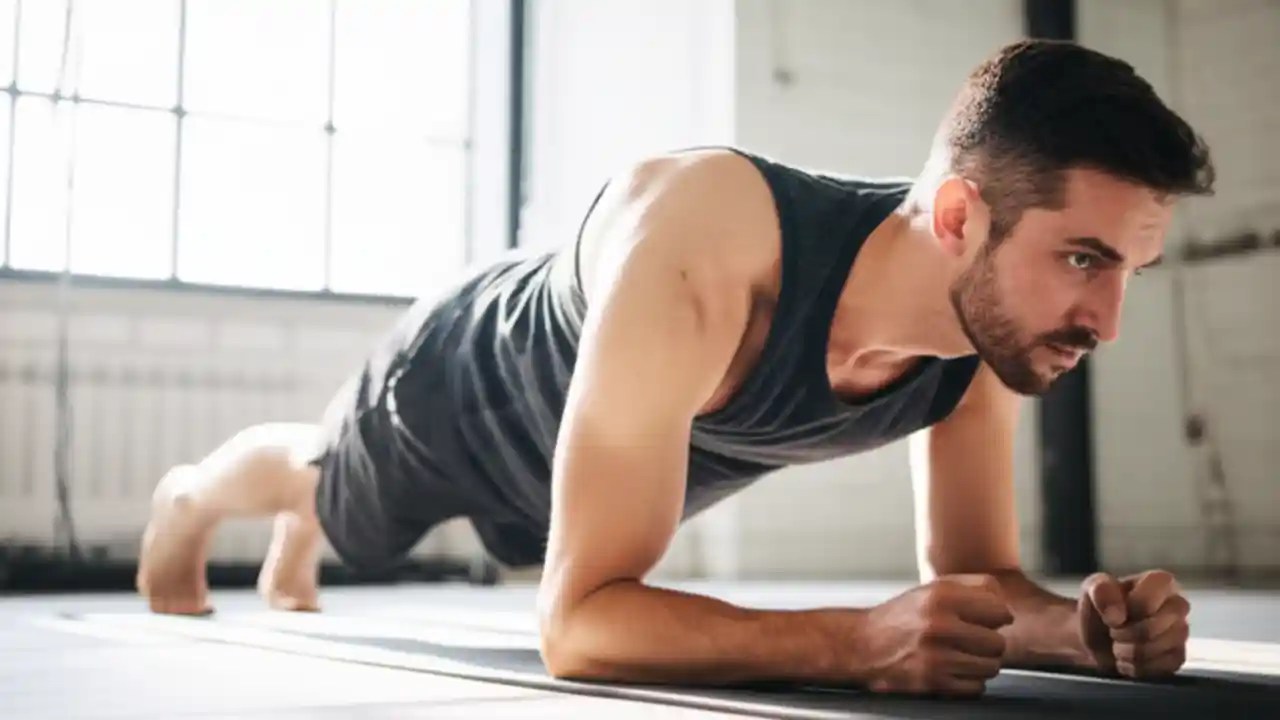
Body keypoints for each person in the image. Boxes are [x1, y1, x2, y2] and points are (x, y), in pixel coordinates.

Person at [136, 39, 1215, 696]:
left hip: (598, 465)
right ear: (955, 217)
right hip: (462, 393)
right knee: (328, 490)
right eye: (1082, 259)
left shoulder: (988, 334)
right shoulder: (710, 241)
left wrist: (1080, 634)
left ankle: (300, 535)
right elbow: (579, 625)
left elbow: (974, 581)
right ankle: (193, 497)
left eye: (1127, 270)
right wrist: (854, 641)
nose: (1106, 321)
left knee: (350, 519)